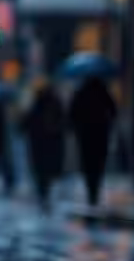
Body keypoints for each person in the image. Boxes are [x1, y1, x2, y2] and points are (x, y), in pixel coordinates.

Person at [69, 75, 117, 206]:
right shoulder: (103, 92)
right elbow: (113, 111)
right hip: (100, 133)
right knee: (98, 162)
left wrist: (76, 127)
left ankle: (92, 190)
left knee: (88, 163)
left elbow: (72, 114)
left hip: (85, 135)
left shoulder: (80, 93)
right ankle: (94, 190)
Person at [20, 81, 66, 210]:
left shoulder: (35, 105)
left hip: (38, 145)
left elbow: (24, 125)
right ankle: (45, 194)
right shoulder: (55, 104)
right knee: (47, 171)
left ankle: (43, 194)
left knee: (40, 171)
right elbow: (64, 122)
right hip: (51, 144)